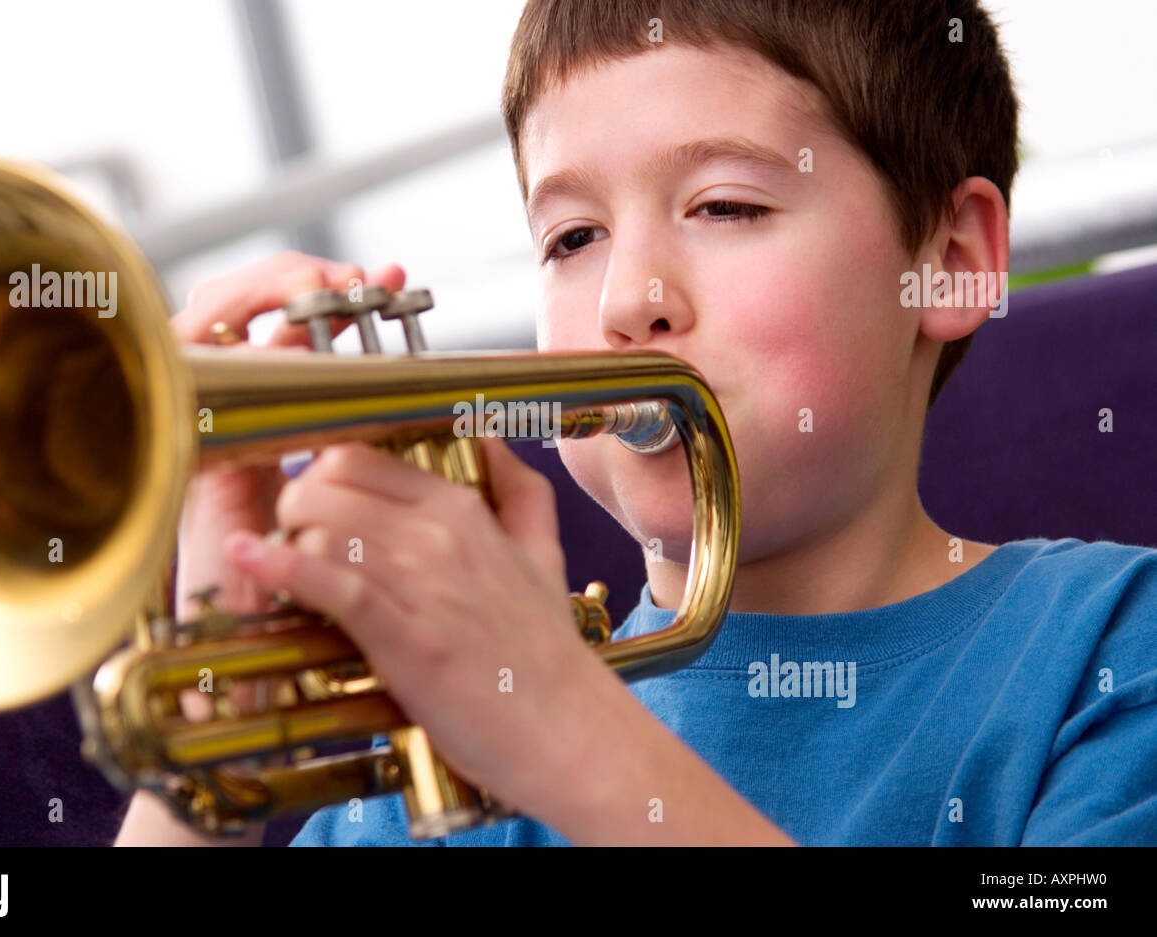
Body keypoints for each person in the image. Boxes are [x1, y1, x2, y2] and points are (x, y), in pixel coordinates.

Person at [116, 0, 1157, 847]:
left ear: (949, 260)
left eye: (724, 207)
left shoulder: (1110, 647)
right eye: (571, 236)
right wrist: (206, 758)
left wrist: (561, 733)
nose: (626, 299)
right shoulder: (435, 729)